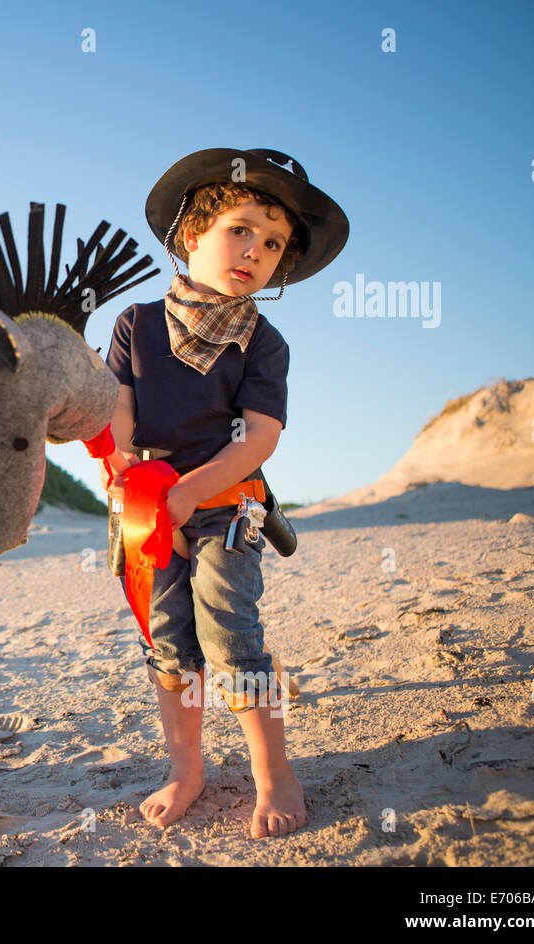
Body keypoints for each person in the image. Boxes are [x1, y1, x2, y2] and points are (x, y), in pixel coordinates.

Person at [102, 149, 349, 838]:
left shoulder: (263, 343)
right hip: (145, 508)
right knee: (168, 642)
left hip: (226, 504)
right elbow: (115, 409)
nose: (254, 251)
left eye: (272, 244)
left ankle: (275, 773)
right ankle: (186, 769)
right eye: (240, 230)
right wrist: (128, 470)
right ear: (192, 235)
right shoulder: (136, 323)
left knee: (228, 632)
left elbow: (258, 438)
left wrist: (190, 492)